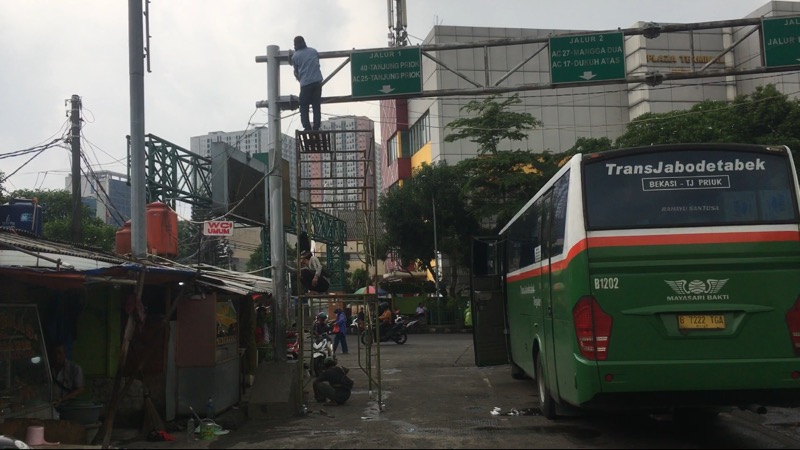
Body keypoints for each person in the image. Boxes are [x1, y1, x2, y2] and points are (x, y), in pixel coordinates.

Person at [291, 35, 323, 131]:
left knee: (304, 106)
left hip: (305, 84)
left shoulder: (295, 56)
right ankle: (316, 127)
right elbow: (318, 64)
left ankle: (307, 127)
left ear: (295, 45)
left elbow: (296, 72)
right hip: (317, 82)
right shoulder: (313, 51)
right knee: (316, 105)